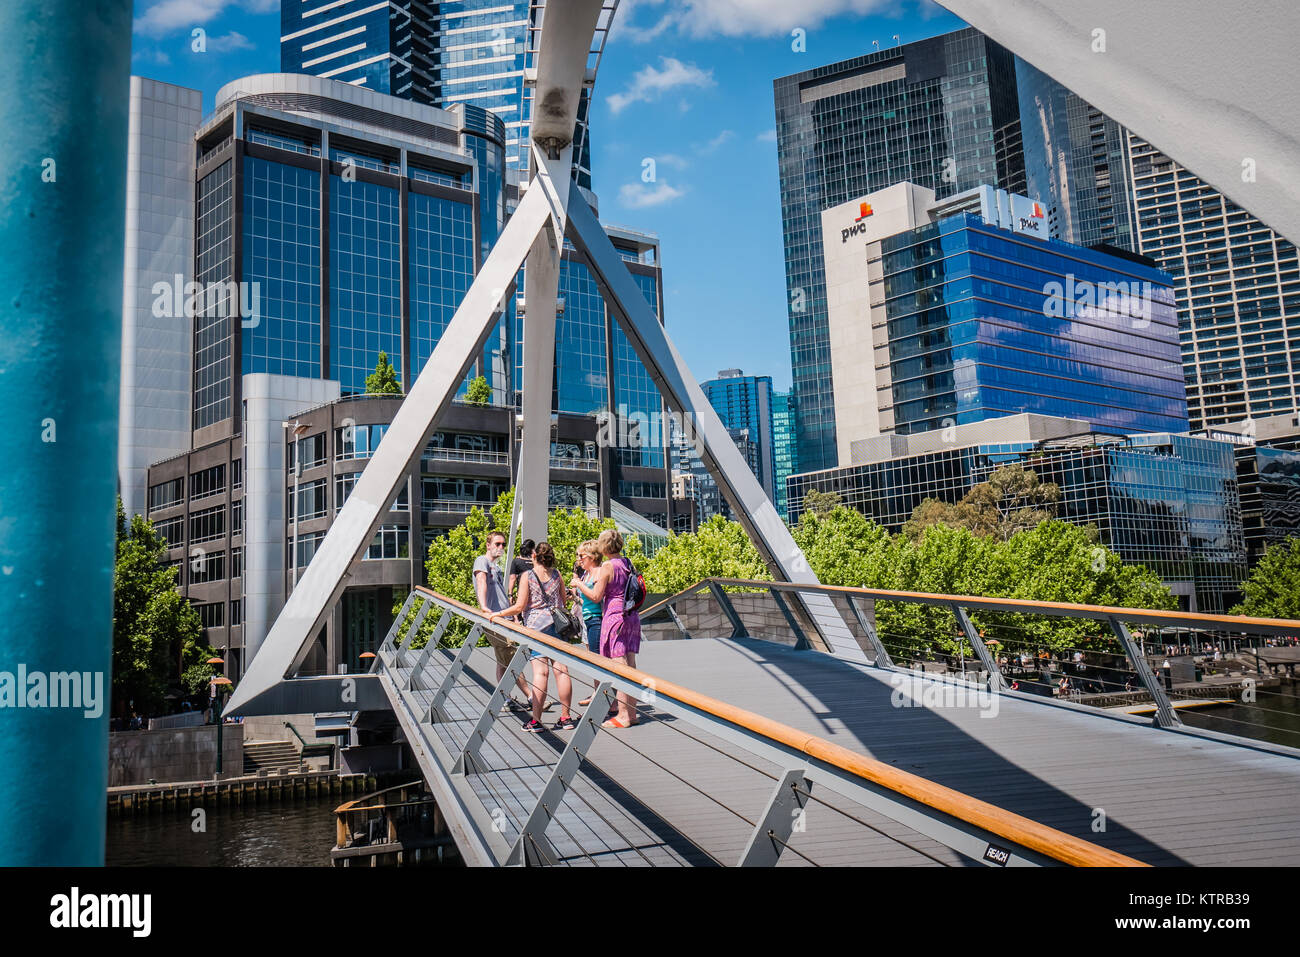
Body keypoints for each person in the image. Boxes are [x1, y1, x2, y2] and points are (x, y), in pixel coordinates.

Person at [489, 542, 577, 732]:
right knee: (562, 671)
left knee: (540, 673)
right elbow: (562, 601)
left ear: (534, 556)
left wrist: (498, 614)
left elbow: (520, 607)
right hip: (557, 627)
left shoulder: (527, 576)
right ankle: (566, 717)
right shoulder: (557, 574)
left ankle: (536, 721)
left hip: (537, 629)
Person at [570, 528, 641, 729]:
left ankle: (623, 715)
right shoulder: (627, 562)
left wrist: (578, 583)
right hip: (631, 615)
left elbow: (595, 596)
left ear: (603, 546)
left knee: (619, 666)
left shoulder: (608, 566)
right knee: (631, 665)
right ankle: (632, 713)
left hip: (615, 617)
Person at [475, 530, 530, 713]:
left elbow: (502, 595)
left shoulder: (496, 566)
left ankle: (505, 698)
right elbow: (481, 581)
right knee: (510, 657)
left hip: (504, 618)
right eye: (497, 544)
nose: (501, 547)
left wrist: (513, 617)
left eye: (503, 544)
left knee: (502, 660)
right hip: (494, 618)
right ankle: (531, 697)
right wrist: (484, 607)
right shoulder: (481, 561)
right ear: (488, 545)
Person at [571, 540, 605, 707]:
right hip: (588, 619)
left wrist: (578, 584)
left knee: (598, 661)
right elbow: (586, 600)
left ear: (592, 556)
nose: (579, 559)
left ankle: (603, 701)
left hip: (597, 620)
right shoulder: (587, 574)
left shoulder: (598, 572)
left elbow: (596, 597)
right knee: (593, 661)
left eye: (581, 556)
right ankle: (597, 696)